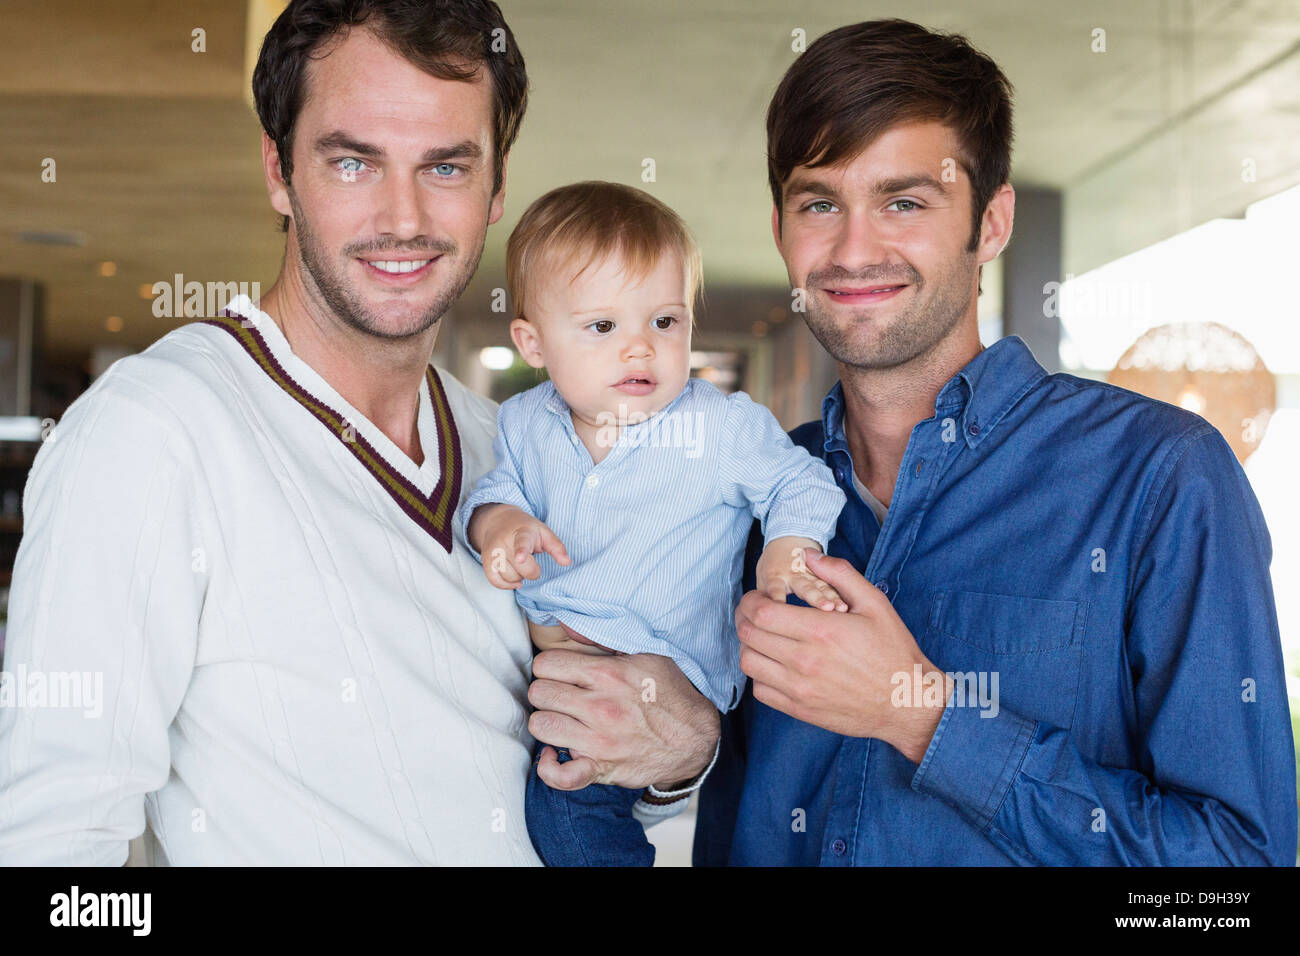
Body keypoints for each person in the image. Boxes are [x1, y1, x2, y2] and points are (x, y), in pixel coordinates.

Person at [0, 0, 716, 866]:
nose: (403, 218)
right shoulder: (153, 432)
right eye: (353, 162)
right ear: (278, 170)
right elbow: (50, 843)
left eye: (445, 166)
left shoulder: (513, 445)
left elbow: (590, 777)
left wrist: (678, 757)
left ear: (496, 187)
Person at [693, 18, 1298, 865]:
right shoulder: (746, 491)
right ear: (781, 228)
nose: (854, 250)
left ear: (994, 222)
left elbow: (1234, 873)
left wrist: (921, 716)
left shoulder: (1161, 477)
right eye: (820, 203)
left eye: (904, 202)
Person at [453, 181, 847, 864]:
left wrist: (787, 547)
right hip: (553, 666)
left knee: (567, 809)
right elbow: (493, 493)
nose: (640, 349)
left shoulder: (719, 427)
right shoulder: (523, 422)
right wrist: (499, 524)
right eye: (603, 327)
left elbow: (800, 480)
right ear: (533, 342)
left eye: (664, 322)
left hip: (662, 670)